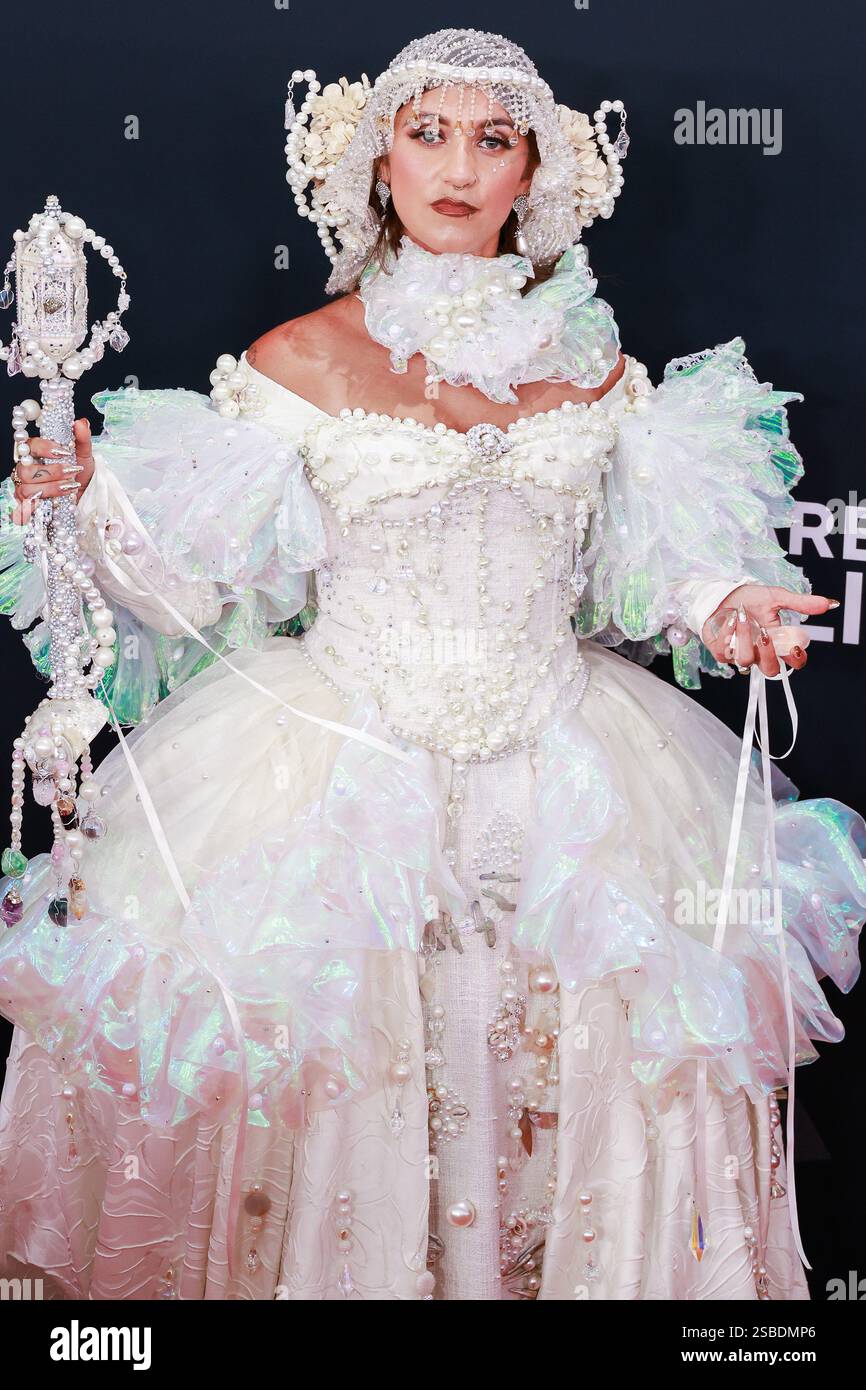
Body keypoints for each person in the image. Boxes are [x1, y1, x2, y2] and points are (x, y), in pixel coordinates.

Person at [0, 27, 863, 1302]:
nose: (458, 167)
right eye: (429, 134)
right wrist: (75, 510)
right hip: (341, 771)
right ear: (378, 162)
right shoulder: (301, 359)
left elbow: (645, 564)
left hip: (571, 770)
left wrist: (726, 602)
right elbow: (190, 594)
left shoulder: (600, 372)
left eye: (493, 139)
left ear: (534, 175)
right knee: (344, 1063)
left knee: (603, 1055)